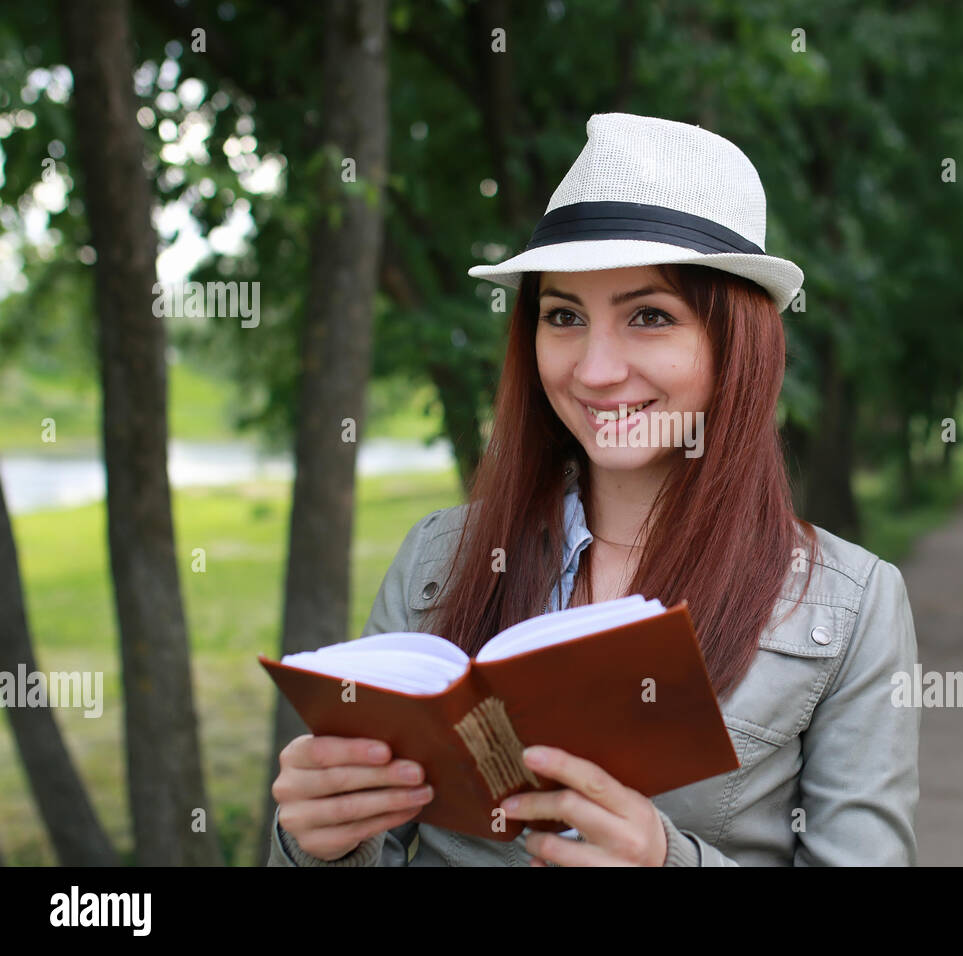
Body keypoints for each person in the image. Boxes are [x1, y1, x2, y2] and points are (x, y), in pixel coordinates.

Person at [267, 112, 919, 867]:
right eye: (564, 316)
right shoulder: (438, 559)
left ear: (738, 343)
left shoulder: (853, 605)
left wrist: (667, 861)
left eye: (649, 316)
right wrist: (314, 844)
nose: (596, 369)